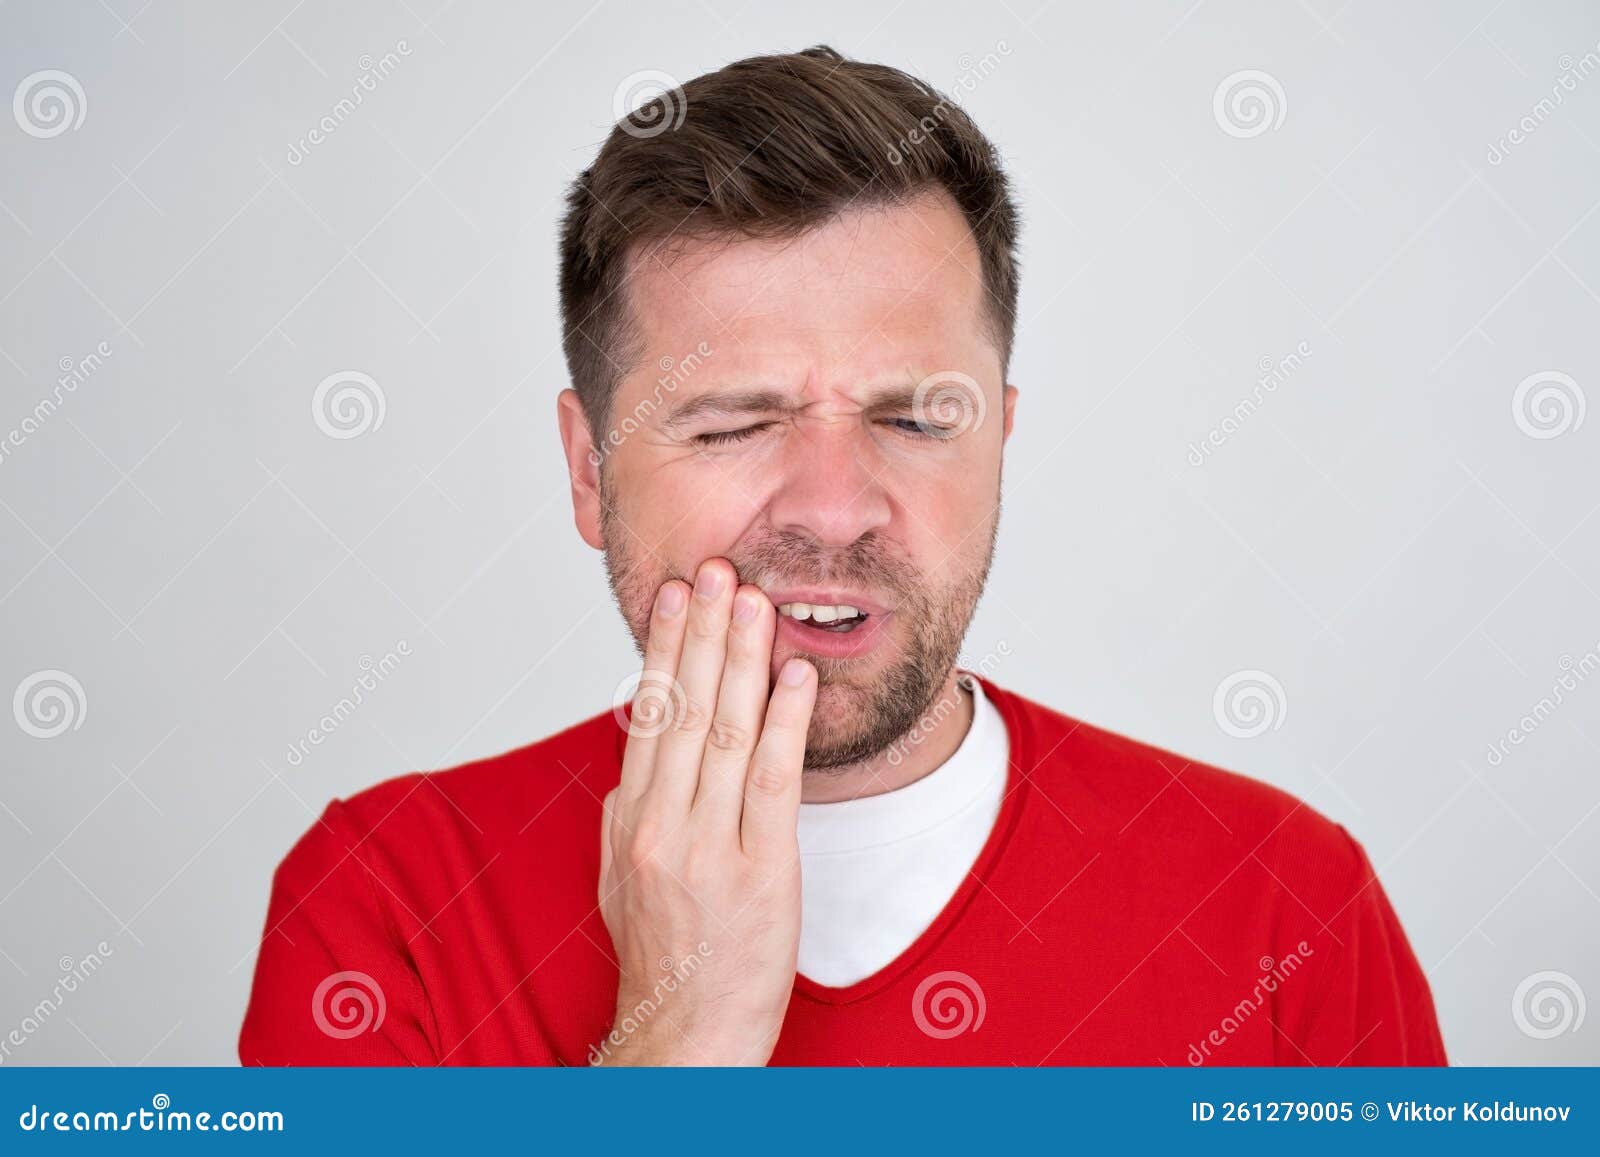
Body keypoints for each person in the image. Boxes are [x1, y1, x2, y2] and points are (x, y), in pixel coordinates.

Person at [239, 46, 1446, 1067]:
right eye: (733, 424)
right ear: (588, 472)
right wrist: (678, 1045)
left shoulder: (1285, 905)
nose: (834, 506)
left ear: (1000, 446)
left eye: (917, 419)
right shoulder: (389, 903)